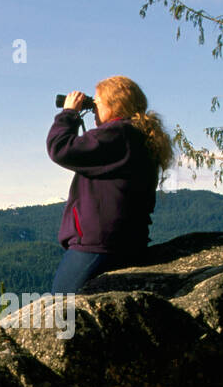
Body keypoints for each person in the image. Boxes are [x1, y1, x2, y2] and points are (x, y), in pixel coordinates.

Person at [46, 76, 172, 294]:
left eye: (97, 102)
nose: (93, 108)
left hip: (99, 245)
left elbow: (60, 148)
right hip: (127, 242)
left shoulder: (118, 134)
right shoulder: (137, 135)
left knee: (62, 309)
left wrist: (69, 114)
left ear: (115, 105)